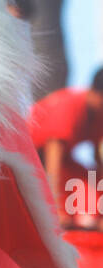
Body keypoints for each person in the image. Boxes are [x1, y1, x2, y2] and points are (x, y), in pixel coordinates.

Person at [29, 68, 103, 227]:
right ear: (96, 93)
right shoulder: (69, 105)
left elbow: (98, 161)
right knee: (78, 189)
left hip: (60, 161)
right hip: (32, 158)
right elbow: (53, 160)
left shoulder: (98, 115)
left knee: (88, 182)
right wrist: (55, 208)